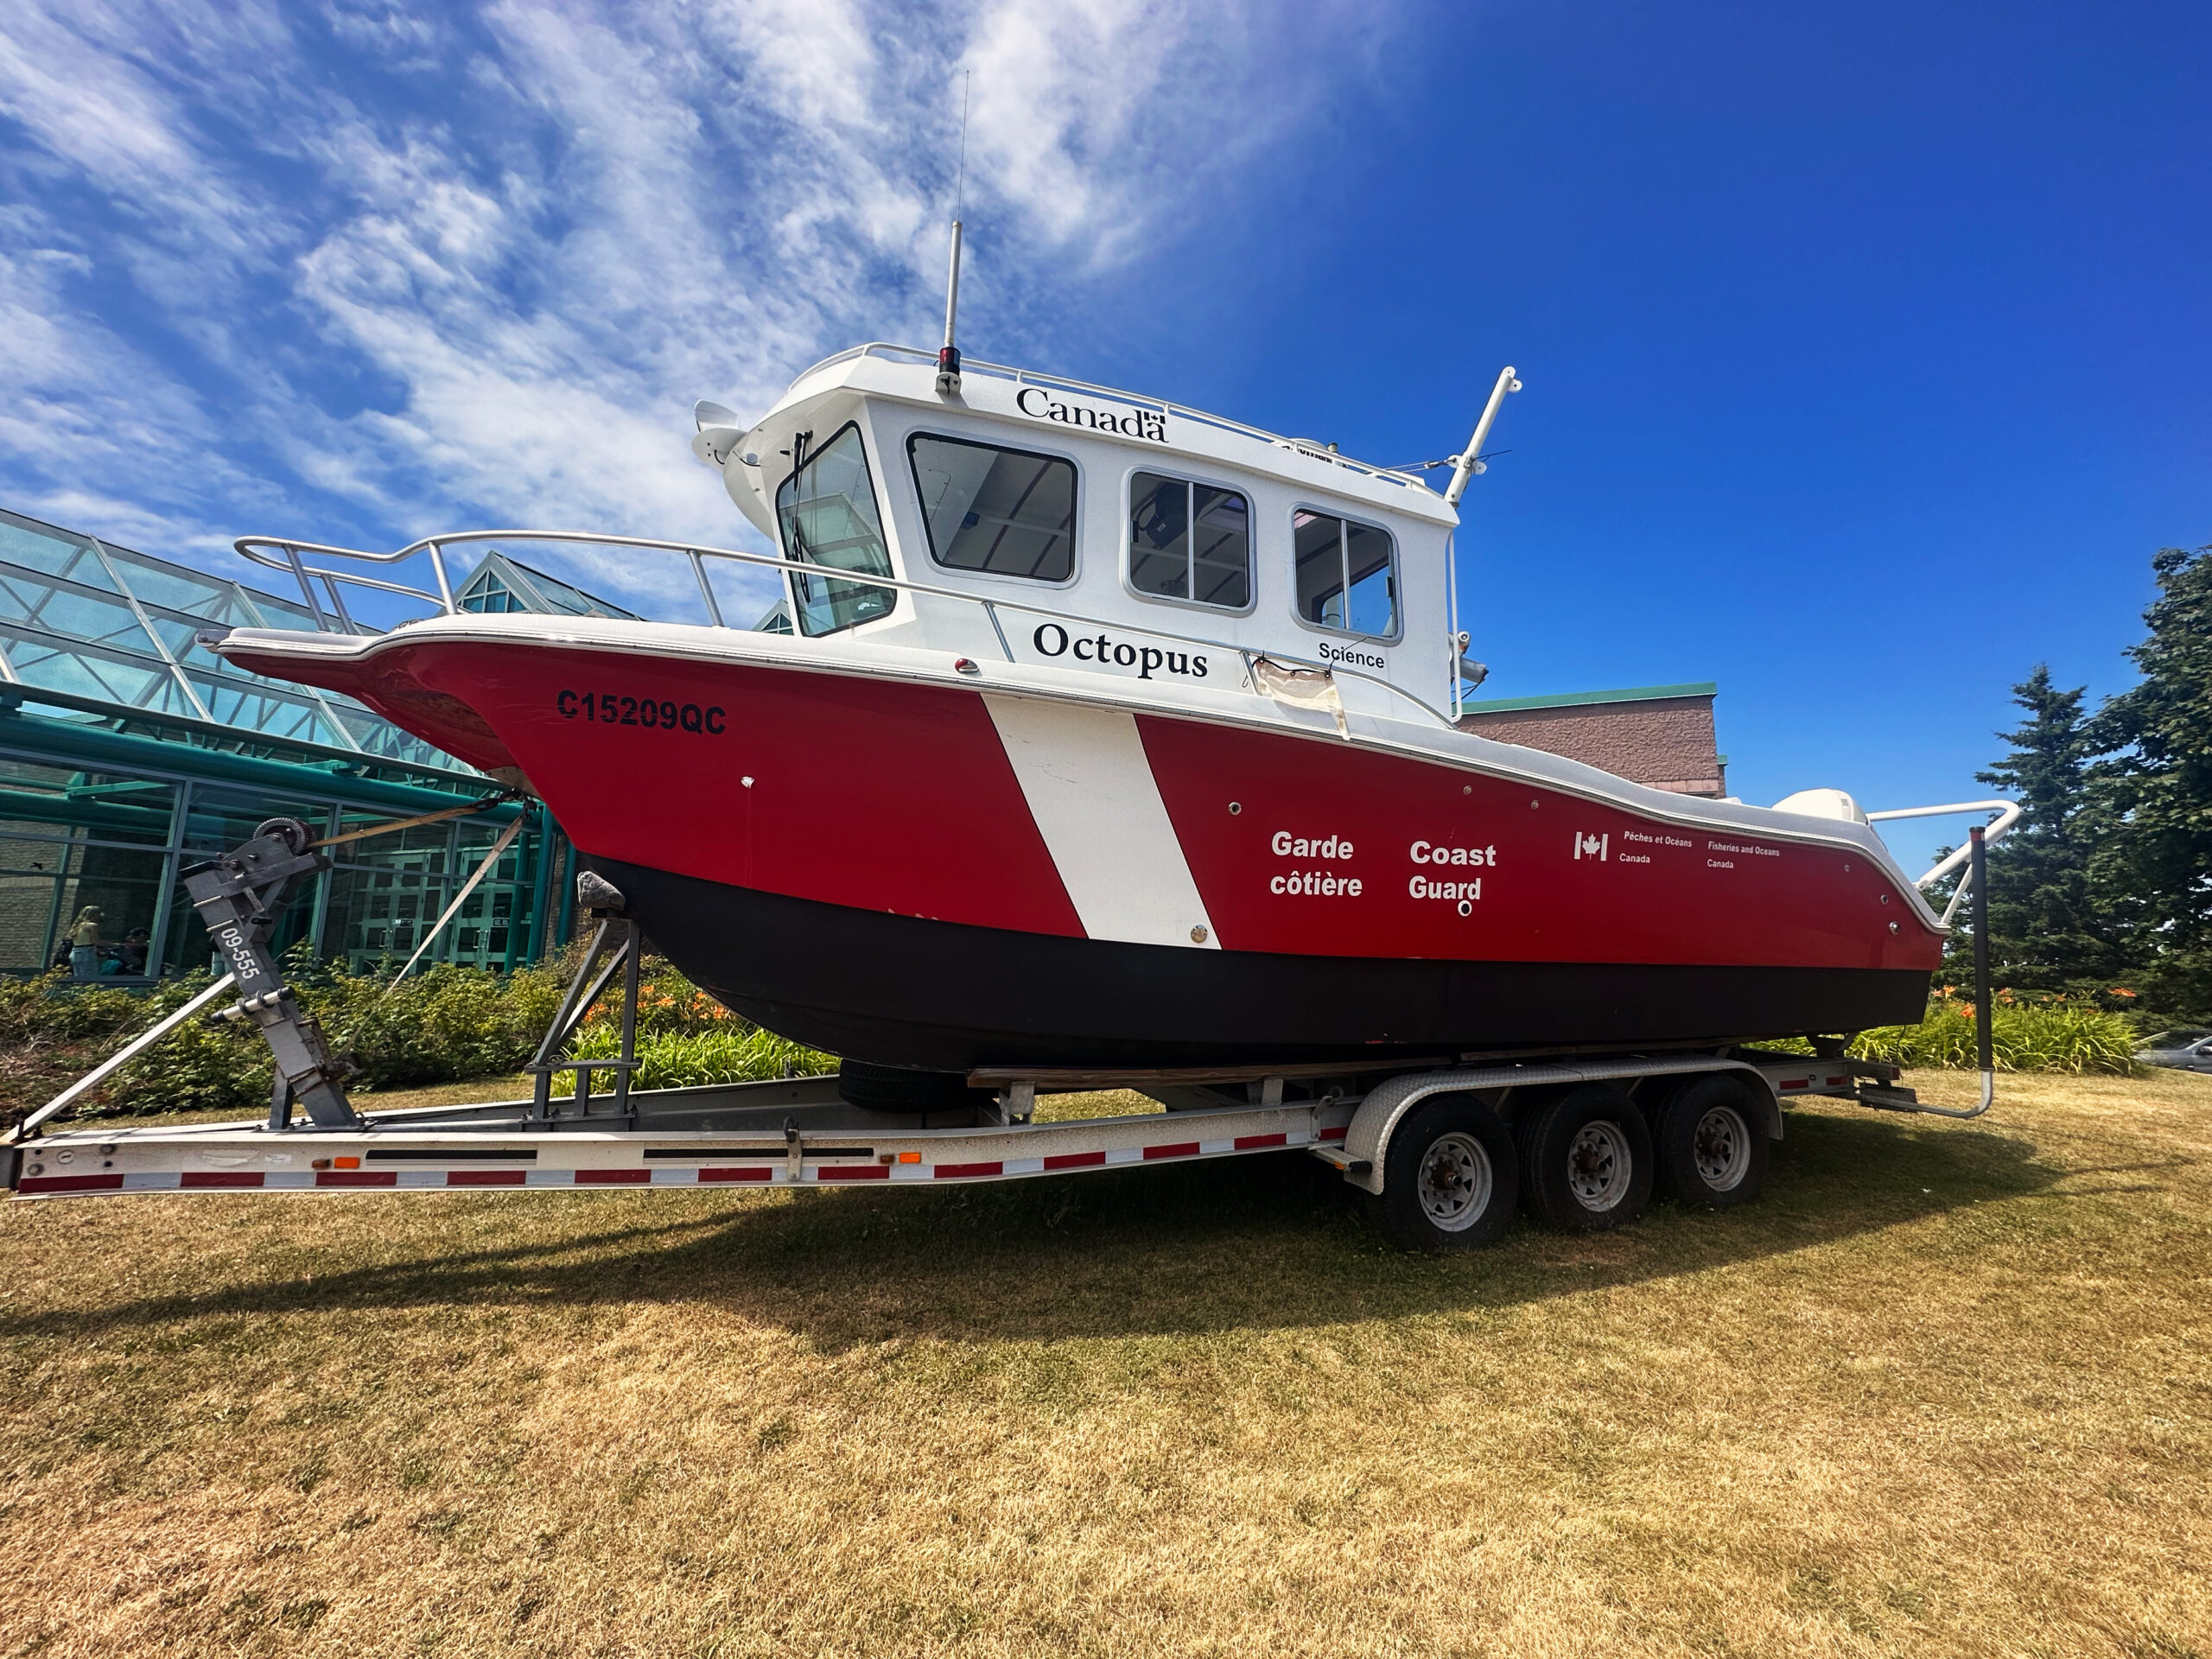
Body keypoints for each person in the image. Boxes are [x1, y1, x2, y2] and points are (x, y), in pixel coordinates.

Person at [67, 906, 104, 979]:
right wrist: (114, 944)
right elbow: (96, 941)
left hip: (75, 952)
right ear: (95, 914)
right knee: (90, 978)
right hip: (86, 952)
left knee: (78, 978)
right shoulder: (92, 926)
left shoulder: (77, 925)